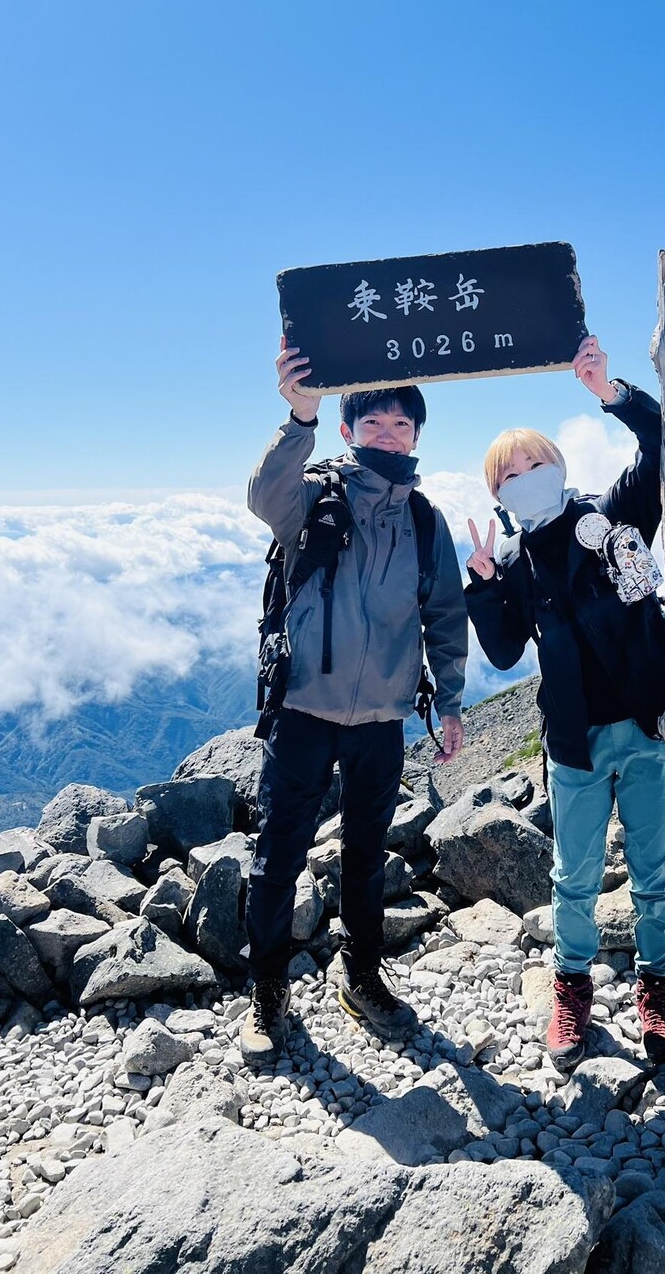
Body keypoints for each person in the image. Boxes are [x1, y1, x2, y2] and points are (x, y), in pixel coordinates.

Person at [240, 339, 468, 1059]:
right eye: (374, 423)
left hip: (380, 719)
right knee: (278, 853)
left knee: (367, 857)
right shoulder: (315, 494)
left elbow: (444, 617)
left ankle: (361, 972)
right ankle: (267, 988)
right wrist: (296, 415)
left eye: (402, 425)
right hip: (304, 708)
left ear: (417, 435)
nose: (389, 434)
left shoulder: (425, 521)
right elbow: (262, 496)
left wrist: (451, 701)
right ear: (349, 430)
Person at [464, 335, 665, 1071]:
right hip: (574, 744)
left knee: (655, 871)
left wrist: (607, 390)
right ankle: (571, 988)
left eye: (534, 463)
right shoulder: (517, 563)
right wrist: (484, 583)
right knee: (574, 877)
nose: (525, 477)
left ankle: (658, 992)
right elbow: (498, 651)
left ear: (558, 464)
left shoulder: (610, 516)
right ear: (497, 494)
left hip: (646, 727)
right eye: (509, 474)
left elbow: (659, 447)